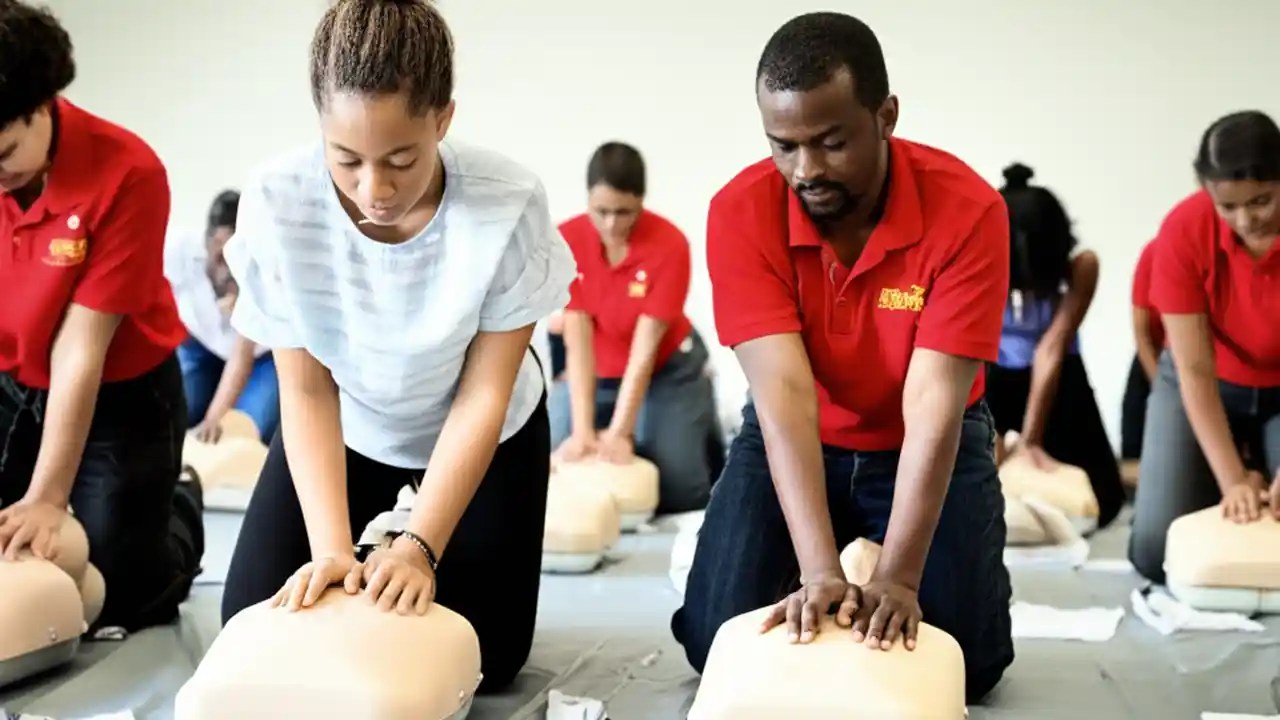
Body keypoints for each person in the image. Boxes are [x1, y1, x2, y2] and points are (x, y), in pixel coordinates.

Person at [217, 0, 575, 692]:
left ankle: (401, 533)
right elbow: (306, 387)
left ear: (443, 119)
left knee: (489, 657)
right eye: (346, 159)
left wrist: (419, 546)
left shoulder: (507, 202)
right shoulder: (275, 200)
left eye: (401, 159)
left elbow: (483, 393)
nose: (373, 190)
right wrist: (329, 554)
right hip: (351, 416)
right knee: (256, 620)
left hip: (485, 428)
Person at [672, 12, 1014, 704]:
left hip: (923, 439)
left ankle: (881, 555)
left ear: (885, 116)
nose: (807, 170)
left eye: (832, 143)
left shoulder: (969, 210)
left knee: (969, 667)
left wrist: (900, 577)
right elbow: (785, 400)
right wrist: (820, 570)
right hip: (802, 435)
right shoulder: (740, 212)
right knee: (711, 640)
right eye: (784, 146)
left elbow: (933, 406)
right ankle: (838, 554)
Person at [0, 0, 204, 633]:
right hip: (14, 378)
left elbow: (80, 347)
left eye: (3, 151)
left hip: (122, 391)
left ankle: (180, 501)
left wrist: (47, 496)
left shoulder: (127, 173)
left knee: (115, 591)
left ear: (42, 108)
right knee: (21, 553)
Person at [1129, 110, 1280, 583]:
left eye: (1262, 200)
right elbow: (1194, 369)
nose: (1246, 219)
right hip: (1204, 378)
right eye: (1227, 206)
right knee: (1157, 554)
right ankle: (1247, 474)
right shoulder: (1183, 228)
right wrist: (1232, 480)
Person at [551, 142, 720, 513]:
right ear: (588, 201)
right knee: (559, 459)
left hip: (667, 367)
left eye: (624, 212)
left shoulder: (670, 244)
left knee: (677, 487)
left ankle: (698, 411)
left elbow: (644, 352)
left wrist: (619, 432)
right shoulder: (566, 241)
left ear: (641, 201)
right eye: (601, 211)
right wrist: (582, 434)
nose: (611, 223)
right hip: (598, 367)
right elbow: (577, 339)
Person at [984, 163, 1125, 528]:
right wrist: (995, 442)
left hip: (1060, 378)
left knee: (1105, 498)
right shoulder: (981, 267)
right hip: (992, 374)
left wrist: (1030, 440)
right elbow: (972, 352)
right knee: (981, 482)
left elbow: (1052, 347)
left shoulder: (1081, 266)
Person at [165, 190, 281, 443]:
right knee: (176, 412)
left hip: (260, 357)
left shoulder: (260, 266)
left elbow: (242, 355)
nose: (227, 268)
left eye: (234, 257)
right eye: (220, 256)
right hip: (201, 346)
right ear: (207, 243)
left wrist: (214, 417)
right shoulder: (177, 251)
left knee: (254, 427)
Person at [1120, 239, 1164, 461]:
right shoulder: (1155, 253)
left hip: (1212, 365)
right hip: (1155, 360)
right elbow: (1142, 334)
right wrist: (1163, 387)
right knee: (1133, 454)